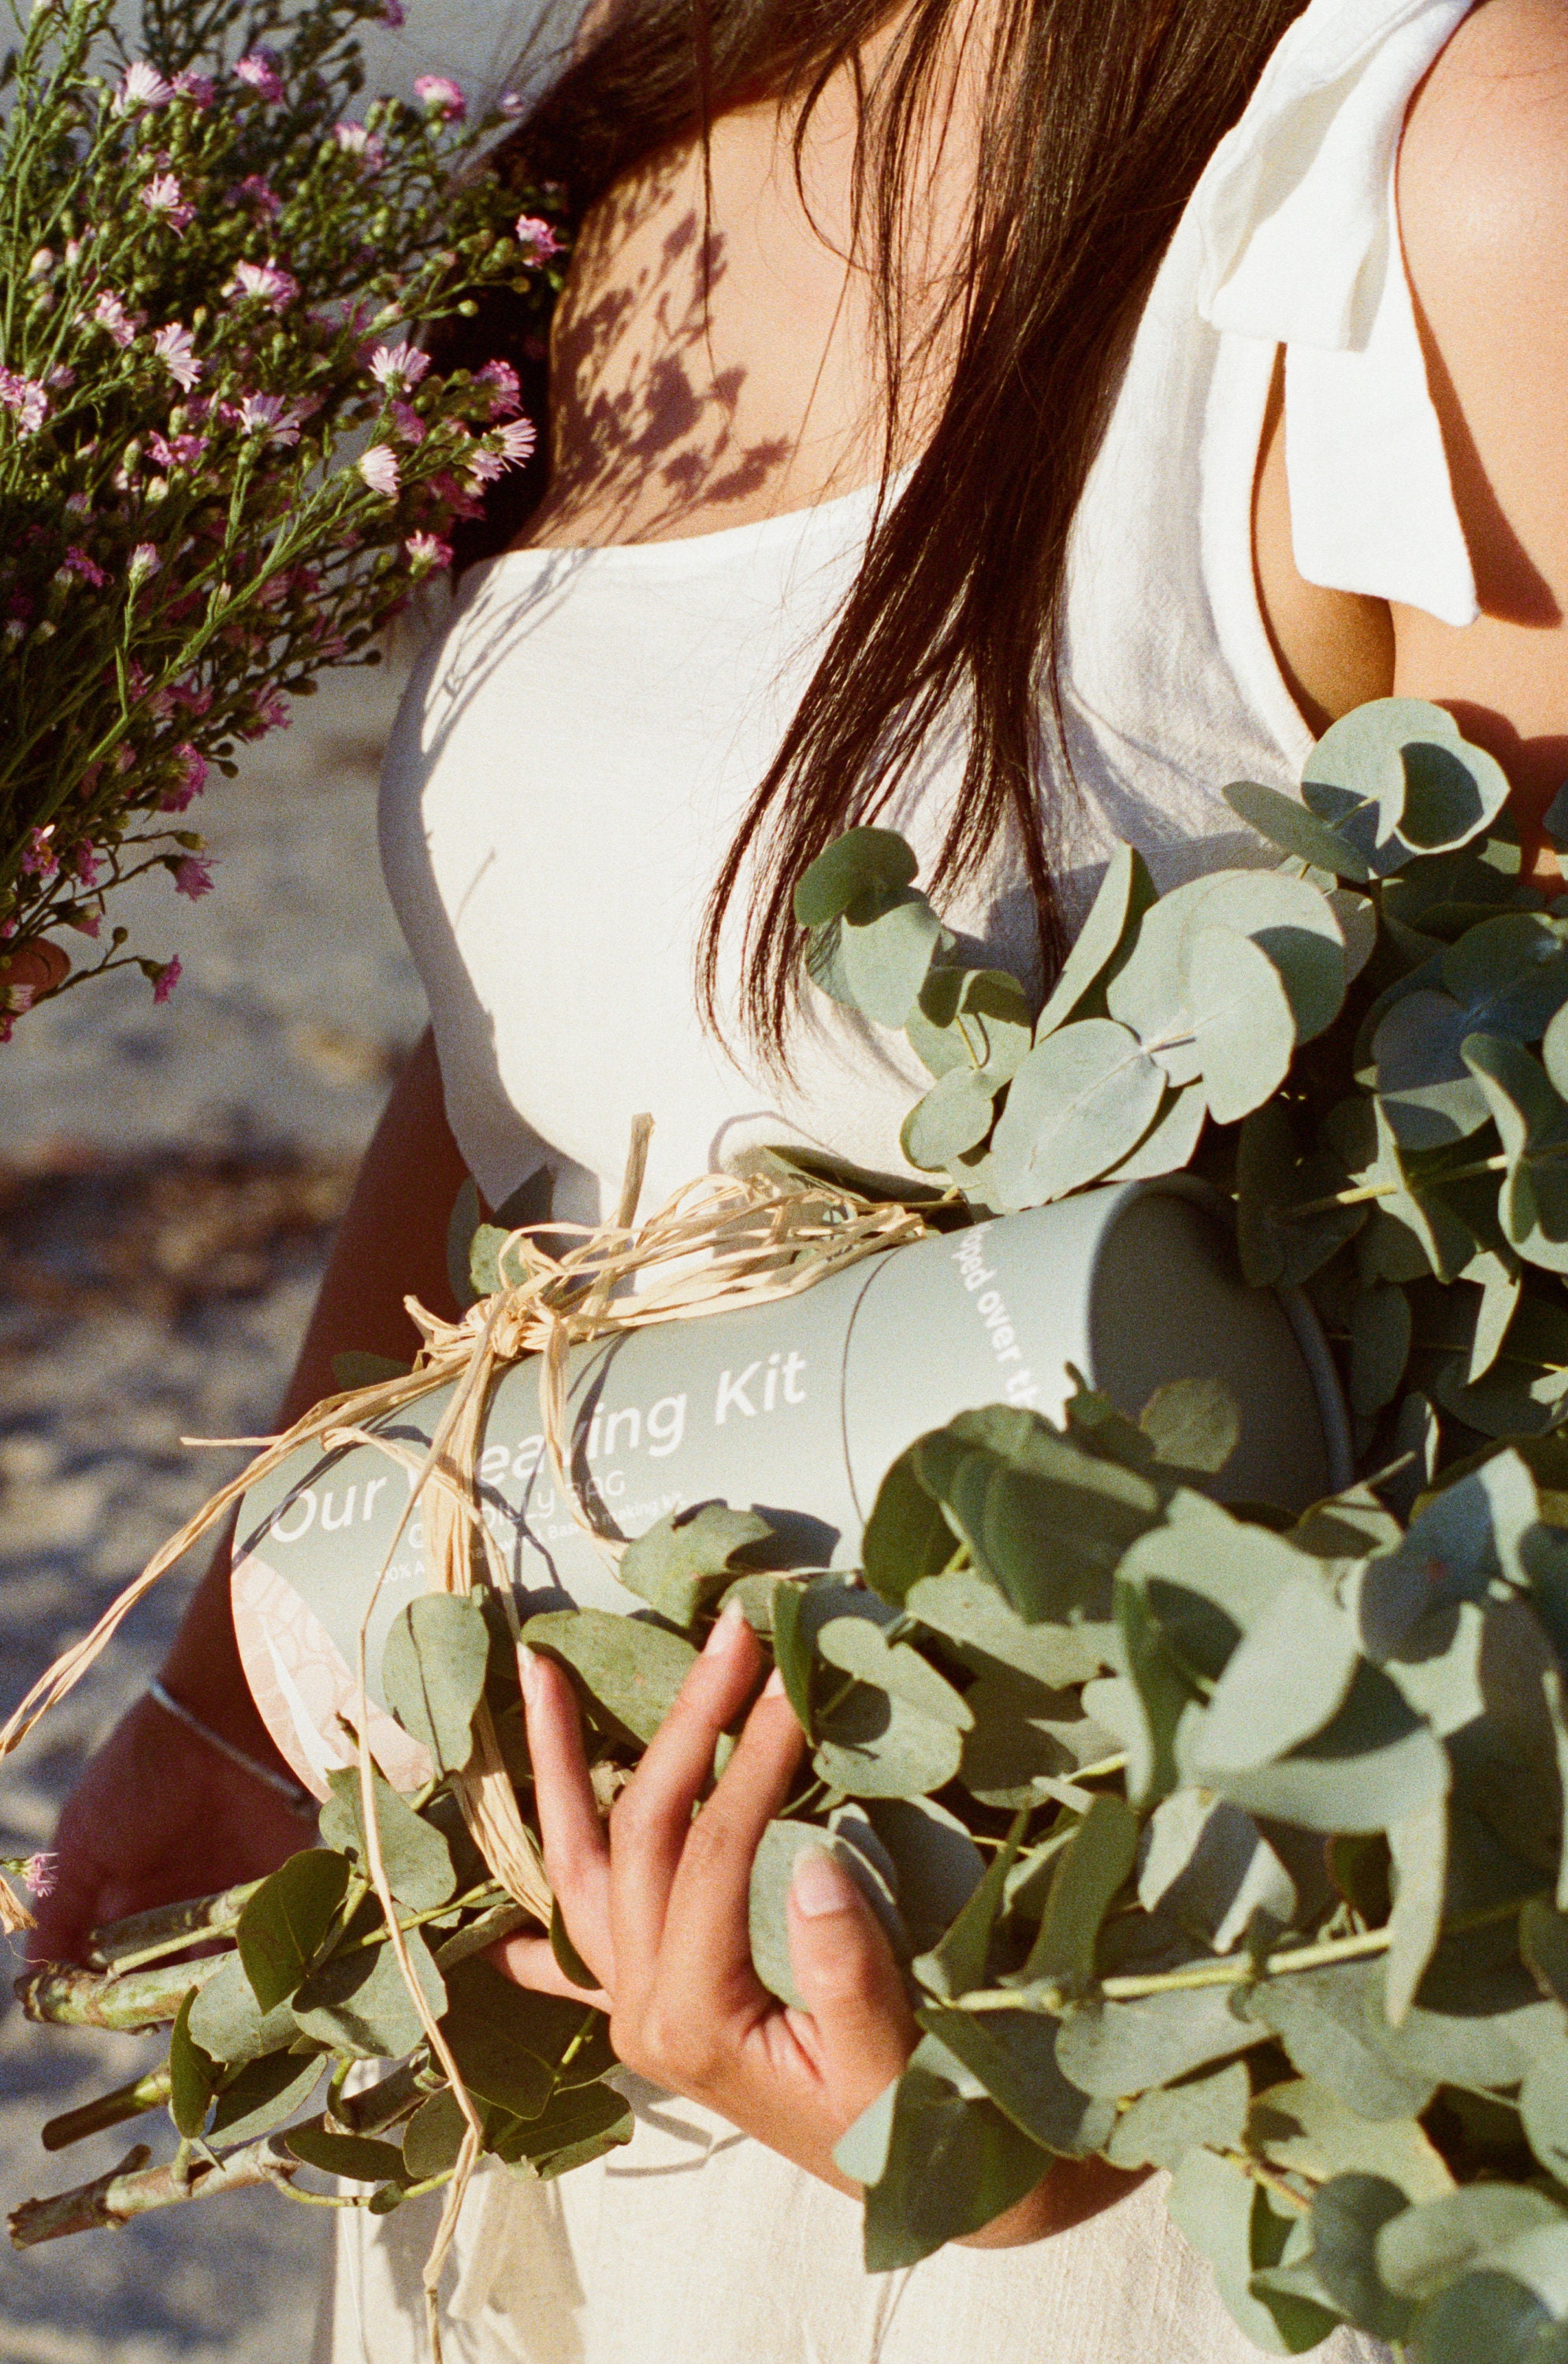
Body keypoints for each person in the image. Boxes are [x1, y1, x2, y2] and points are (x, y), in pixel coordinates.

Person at [32, 0, 1567, 2353]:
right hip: (562, 1990)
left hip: (1117, 2083)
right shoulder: (647, 123)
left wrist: (1032, 2115)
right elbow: (531, 1057)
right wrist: (267, 1666)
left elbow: (1522, 1312)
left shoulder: (1448, 188)